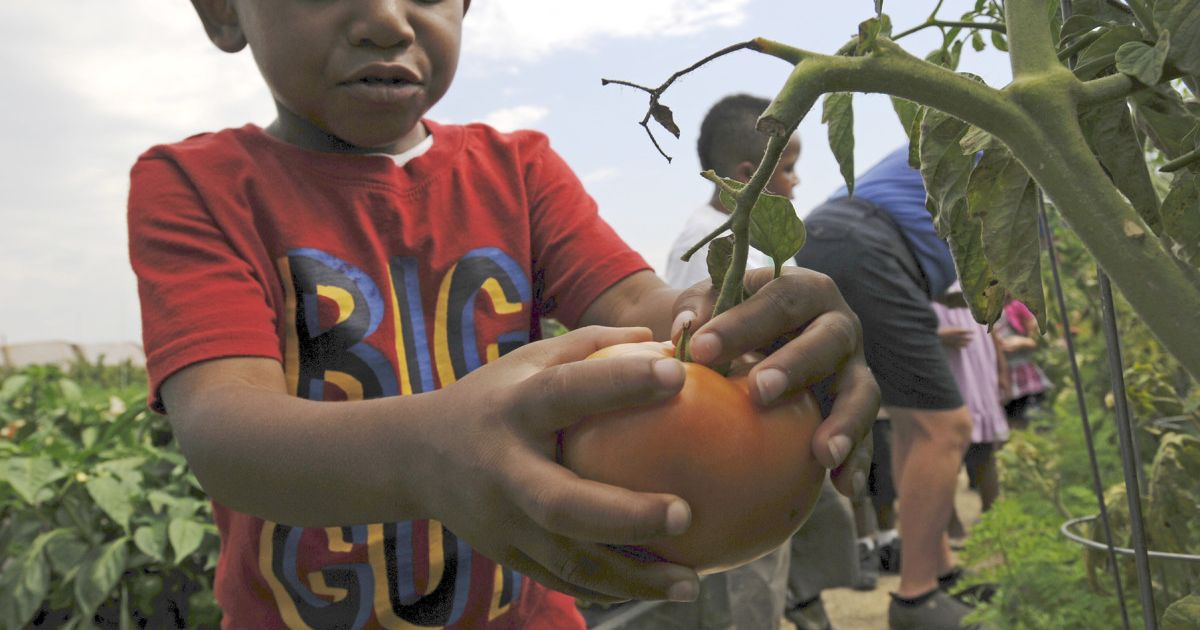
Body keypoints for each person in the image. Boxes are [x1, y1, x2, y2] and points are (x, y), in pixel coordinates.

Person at [126, 2, 880, 628]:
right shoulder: (196, 187)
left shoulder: (519, 171)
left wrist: (743, 323)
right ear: (223, 11)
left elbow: (643, 310)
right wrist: (432, 454)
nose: (388, 19)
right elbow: (224, 435)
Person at [661, 94, 857, 630]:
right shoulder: (716, 242)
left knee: (773, 558)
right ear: (753, 172)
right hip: (732, 440)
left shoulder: (727, 231)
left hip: (758, 426)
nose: (794, 182)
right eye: (788, 168)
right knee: (749, 575)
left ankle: (801, 608)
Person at [793, 147, 977, 630]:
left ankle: (939, 573)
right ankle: (916, 599)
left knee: (917, 428)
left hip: (832, 240)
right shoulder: (1012, 142)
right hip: (869, 245)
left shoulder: (953, 137)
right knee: (946, 427)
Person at [933, 283, 1009, 517]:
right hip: (946, 374)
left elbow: (991, 328)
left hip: (979, 374)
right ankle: (949, 521)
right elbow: (900, 327)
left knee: (985, 450)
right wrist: (936, 335)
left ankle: (992, 516)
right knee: (947, 452)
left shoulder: (969, 271)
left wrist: (1002, 371)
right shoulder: (916, 275)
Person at [996, 298, 1051, 430]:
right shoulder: (982, 313)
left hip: (1023, 375)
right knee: (1011, 420)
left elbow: (1039, 339)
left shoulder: (1017, 306)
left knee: (1034, 418)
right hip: (1000, 375)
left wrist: (1022, 342)